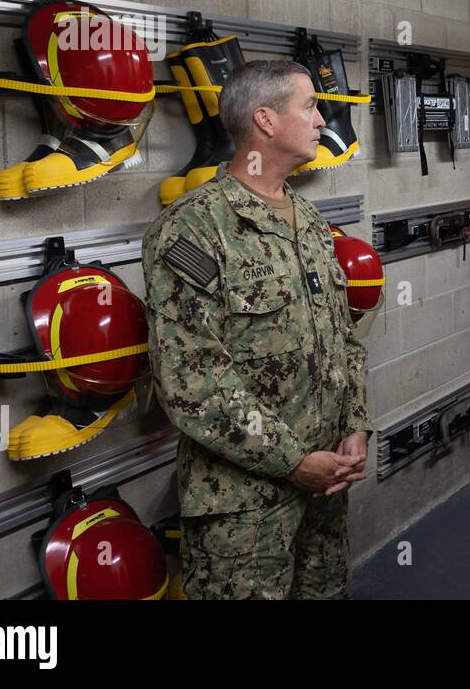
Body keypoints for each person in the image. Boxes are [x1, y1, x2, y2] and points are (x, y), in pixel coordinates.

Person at [142, 59, 372, 599]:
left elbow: (344, 336)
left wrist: (356, 424)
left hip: (326, 484)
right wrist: (293, 462)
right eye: (311, 106)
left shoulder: (310, 221)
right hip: (243, 506)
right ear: (265, 121)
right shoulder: (194, 228)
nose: (322, 120)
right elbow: (192, 380)